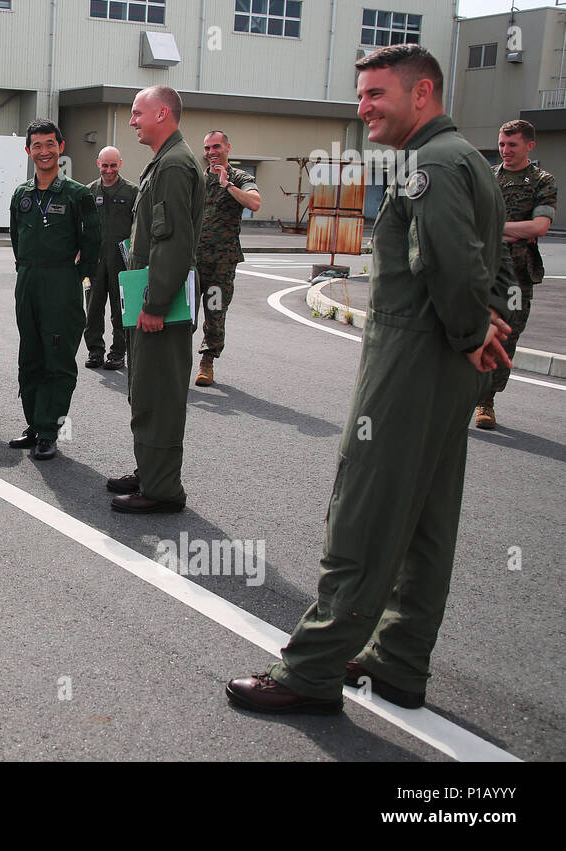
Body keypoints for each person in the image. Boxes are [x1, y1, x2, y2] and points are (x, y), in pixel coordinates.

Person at [226, 45, 515, 715]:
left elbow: (449, 260)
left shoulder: (431, 166)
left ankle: (313, 668)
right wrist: (479, 330)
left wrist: (473, 331)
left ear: (422, 94)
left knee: (364, 509)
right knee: (426, 519)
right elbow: (486, 263)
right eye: (360, 94)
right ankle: (399, 659)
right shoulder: (470, 160)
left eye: (376, 93)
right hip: (444, 368)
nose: (363, 107)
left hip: (411, 362)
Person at [108, 86, 205, 513]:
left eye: (137, 113)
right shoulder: (165, 162)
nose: (132, 121)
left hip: (160, 303)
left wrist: (155, 304)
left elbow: (171, 243)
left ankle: (162, 490)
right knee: (144, 388)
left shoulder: (173, 165)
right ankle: (150, 472)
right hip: (151, 295)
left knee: (159, 394)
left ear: (162, 113)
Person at [7, 119, 100, 460]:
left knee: (57, 360)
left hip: (62, 281)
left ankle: (50, 430)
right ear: (28, 150)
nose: (43, 151)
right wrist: (27, 269)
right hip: (27, 280)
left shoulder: (78, 194)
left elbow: (92, 244)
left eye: (50, 144)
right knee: (29, 355)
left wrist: (76, 277)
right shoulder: (22, 194)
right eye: (37, 145)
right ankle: (34, 425)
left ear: (61, 147)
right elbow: (18, 238)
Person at [474, 119, 556, 429]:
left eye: (513, 145)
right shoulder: (486, 177)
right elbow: (469, 219)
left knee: (504, 338)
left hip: (518, 277)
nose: (505, 151)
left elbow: (539, 227)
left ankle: (486, 401)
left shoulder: (541, 181)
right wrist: (513, 230)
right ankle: (459, 395)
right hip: (479, 267)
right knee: (464, 328)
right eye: (502, 145)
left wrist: (491, 229)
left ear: (529, 146)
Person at [194, 130, 261, 387]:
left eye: (216, 147)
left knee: (215, 312)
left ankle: (206, 362)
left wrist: (227, 185)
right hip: (194, 260)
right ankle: (175, 363)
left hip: (222, 262)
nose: (211, 152)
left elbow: (255, 203)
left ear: (228, 148)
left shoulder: (240, 177)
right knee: (184, 313)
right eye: (207, 148)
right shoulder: (198, 179)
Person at [83, 145, 138, 371]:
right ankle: (95, 351)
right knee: (93, 308)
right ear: (98, 164)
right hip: (94, 261)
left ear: (120, 164)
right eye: (105, 165)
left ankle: (117, 353)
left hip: (121, 261)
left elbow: (138, 225)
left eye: (113, 165)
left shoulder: (132, 191)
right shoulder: (88, 191)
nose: (108, 170)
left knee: (120, 308)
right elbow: (81, 225)